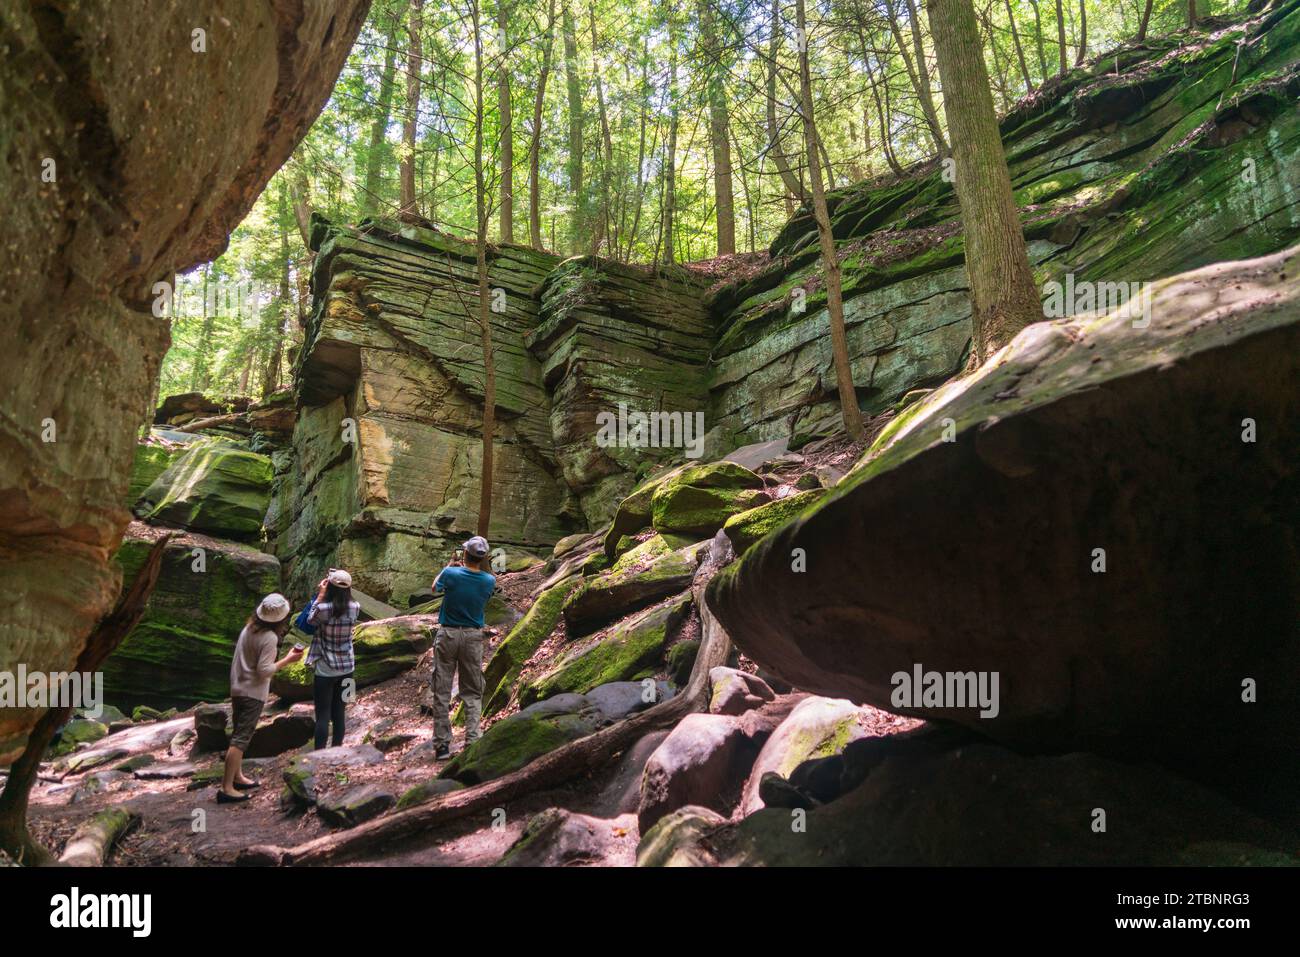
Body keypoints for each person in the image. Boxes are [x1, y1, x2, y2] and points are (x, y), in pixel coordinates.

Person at [220, 593, 303, 804]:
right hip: (252, 693)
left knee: (238, 734)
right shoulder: (270, 638)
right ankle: (227, 788)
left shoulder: (248, 629)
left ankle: (237, 777)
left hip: (238, 688)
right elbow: (264, 670)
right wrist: (288, 659)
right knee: (241, 740)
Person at [429, 536, 497, 760]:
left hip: (447, 634)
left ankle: (442, 746)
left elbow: (434, 588)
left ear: (464, 553)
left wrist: (449, 565)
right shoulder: (489, 580)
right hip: (472, 636)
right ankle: (473, 740)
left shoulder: (451, 574)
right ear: (483, 557)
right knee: (473, 690)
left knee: (441, 690)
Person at [306, 568, 360, 750]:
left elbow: (309, 621)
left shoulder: (322, 608)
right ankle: (337, 749)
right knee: (340, 713)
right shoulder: (356, 607)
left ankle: (319, 755)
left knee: (323, 715)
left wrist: (320, 594)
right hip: (348, 669)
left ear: (329, 586)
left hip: (325, 670)